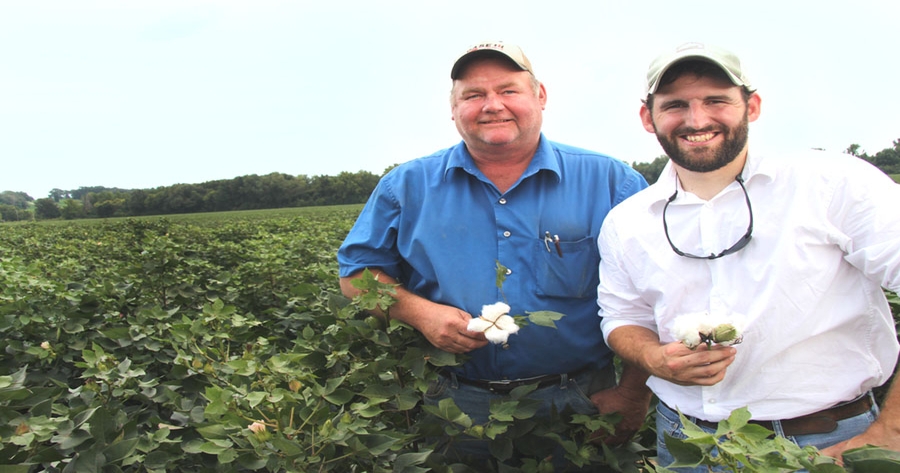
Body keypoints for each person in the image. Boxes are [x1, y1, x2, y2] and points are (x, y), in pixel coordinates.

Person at [337, 41, 652, 465]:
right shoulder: (406, 186)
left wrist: (632, 393)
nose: (492, 106)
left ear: (540, 96)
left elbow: (655, 294)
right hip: (452, 406)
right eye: (473, 95)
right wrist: (420, 313)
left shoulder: (612, 181)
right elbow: (357, 275)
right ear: (453, 109)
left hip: (581, 401)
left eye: (508, 90)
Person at [596, 42, 900, 471]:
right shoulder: (628, 222)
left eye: (716, 101)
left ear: (751, 106)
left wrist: (891, 434)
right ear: (649, 117)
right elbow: (622, 317)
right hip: (686, 442)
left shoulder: (832, 183)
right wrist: (651, 357)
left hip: (823, 442)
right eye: (675, 105)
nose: (696, 119)